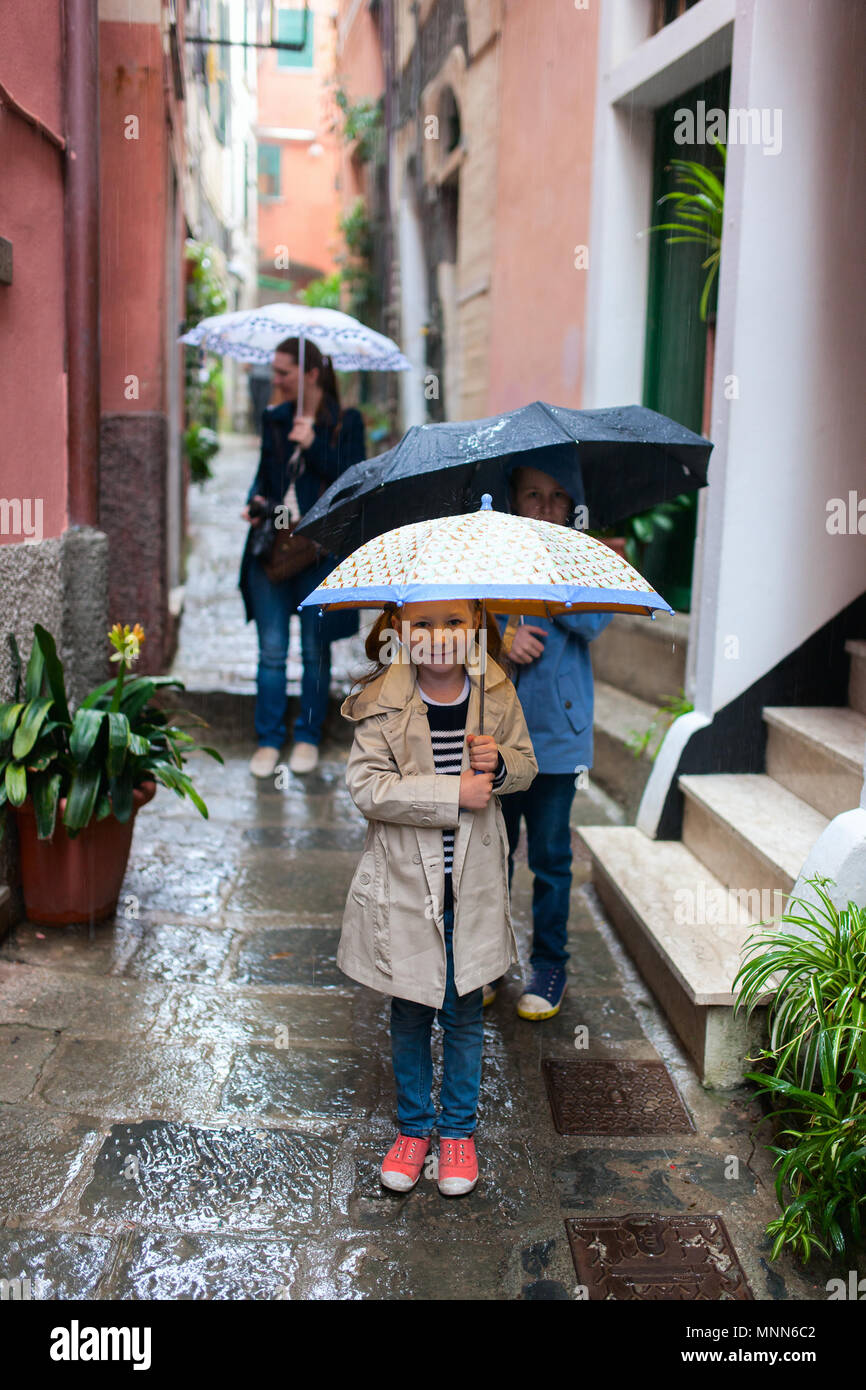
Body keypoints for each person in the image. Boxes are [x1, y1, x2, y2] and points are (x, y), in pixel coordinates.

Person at [338, 599, 537, 1196]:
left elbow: (528, 765)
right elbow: (367, 787)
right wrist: (453, 792)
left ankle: (457, 1132)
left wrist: (500, 765)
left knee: (463, 1010)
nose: (439, 636)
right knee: (410, 1008)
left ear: (476, 627)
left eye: (454, 622)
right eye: (422, 622)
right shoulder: (382, 700)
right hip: (406, 883)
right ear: (398, 629)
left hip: (470, 884)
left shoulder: (495, 693)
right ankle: (413, 1129)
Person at [490, 463, 614, 1021]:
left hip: (558, 739)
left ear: (574, 506)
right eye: (533, 495)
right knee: (491, 855)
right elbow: (462, 621)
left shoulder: (581, 561)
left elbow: (591, 623)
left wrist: (545, 579)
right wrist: (503, 633)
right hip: (495, 735)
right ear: (514, 500)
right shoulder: (490, 555)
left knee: (550, 858)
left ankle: (550, 963)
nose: (545, 506)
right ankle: (488, 962)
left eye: (558, 496)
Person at [239, 337, 366, 777]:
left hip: (318, 554)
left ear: (310, 374)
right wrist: (255, 502)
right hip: (273, 548)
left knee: (315, 652)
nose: (274, 380)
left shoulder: (345, 422)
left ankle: (308, 737)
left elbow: (354, 482)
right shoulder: (274, 417)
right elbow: (264, 476)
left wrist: (312, 442)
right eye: (274, 372)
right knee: (271, 652)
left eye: (283, 373)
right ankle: (269, 739)